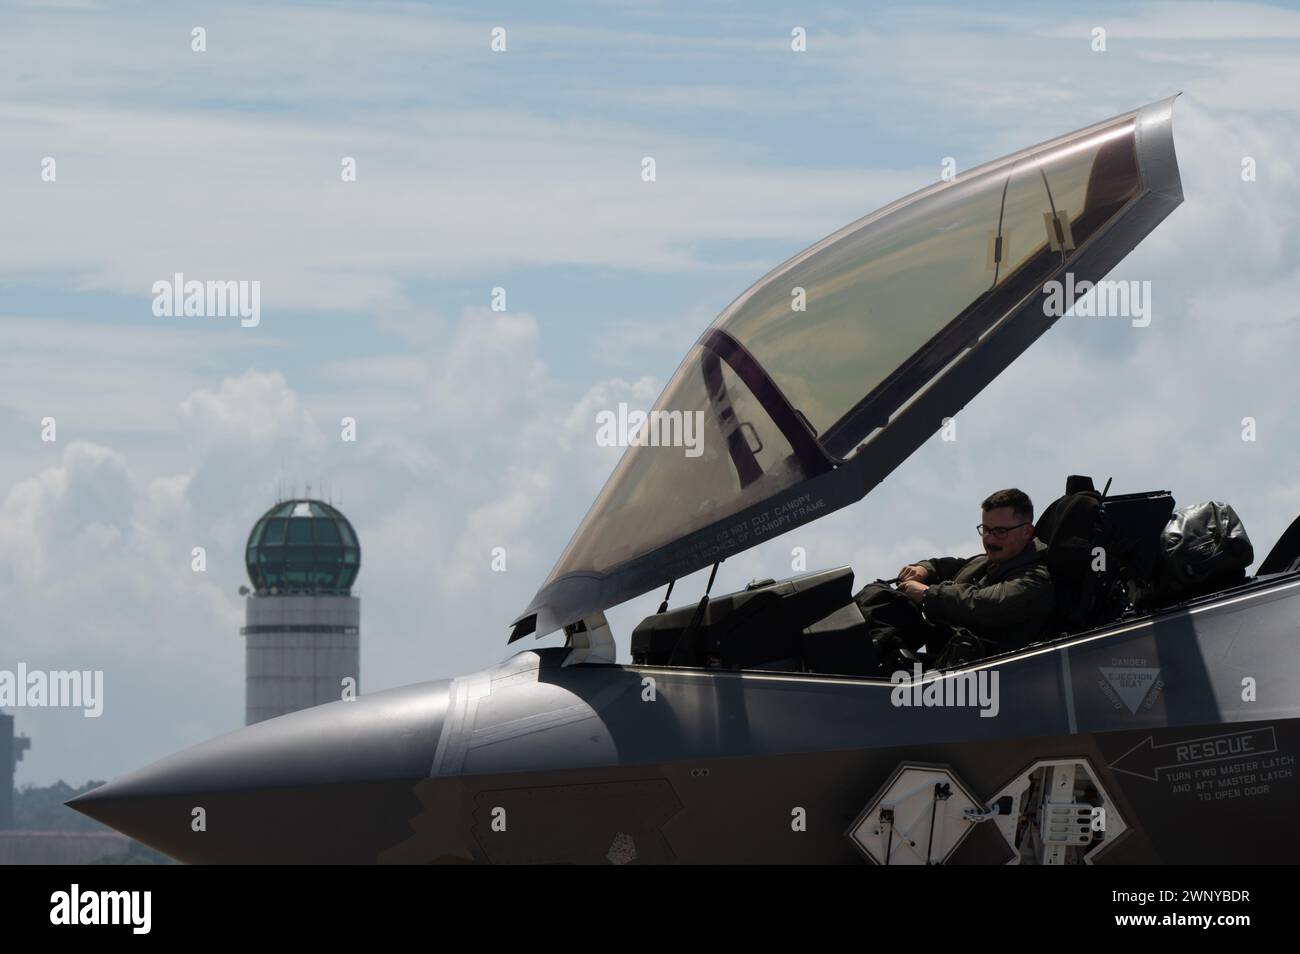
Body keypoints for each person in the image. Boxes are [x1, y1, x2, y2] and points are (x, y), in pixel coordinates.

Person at [854, 488, 1055, 667]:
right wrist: (924, 569)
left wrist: (927, 595)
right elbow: (947, 567)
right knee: (877, 596)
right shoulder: (986, 562)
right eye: (986, 529)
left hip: (986, 678)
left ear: (1026, 532)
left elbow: (985, 603)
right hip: (948, 659)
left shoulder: (1035, 578)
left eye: (1000, 531)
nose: (990, 539)